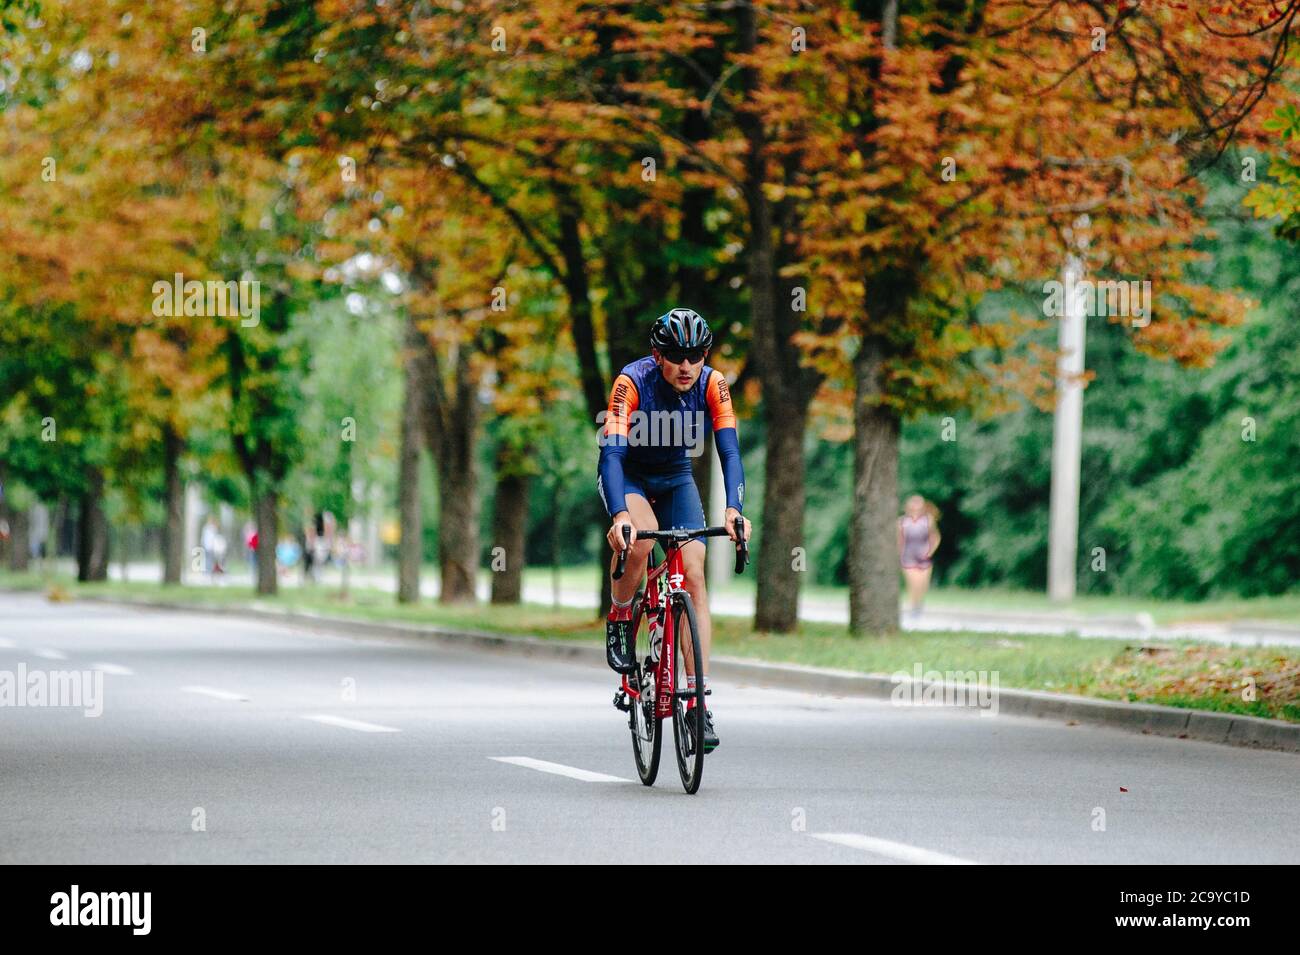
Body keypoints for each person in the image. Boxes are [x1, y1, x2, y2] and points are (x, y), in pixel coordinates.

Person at [597, 307, 751, 753]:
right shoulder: (632, 382)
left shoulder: (713, 383)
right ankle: (621, 614)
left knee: (696, 575)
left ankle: (697, 704)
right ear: (656, 354)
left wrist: (734, 509)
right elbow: (612, 456)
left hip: (676, 477)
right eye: (675, 355)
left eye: (695, 355)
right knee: (641, 539)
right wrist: (619, 516)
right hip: (628, 475)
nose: (686, 365)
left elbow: (730, 452)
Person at [898, 495, 941, 620]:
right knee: (913, 583)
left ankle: (919, 603)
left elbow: (935, 537)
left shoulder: (928, 520)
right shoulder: (902, 522)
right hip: (908, 557)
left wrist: (930, 551)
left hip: (923, 556)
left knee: (923, 584)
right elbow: (899, 540)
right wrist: (899, 554)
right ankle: (913, 607)